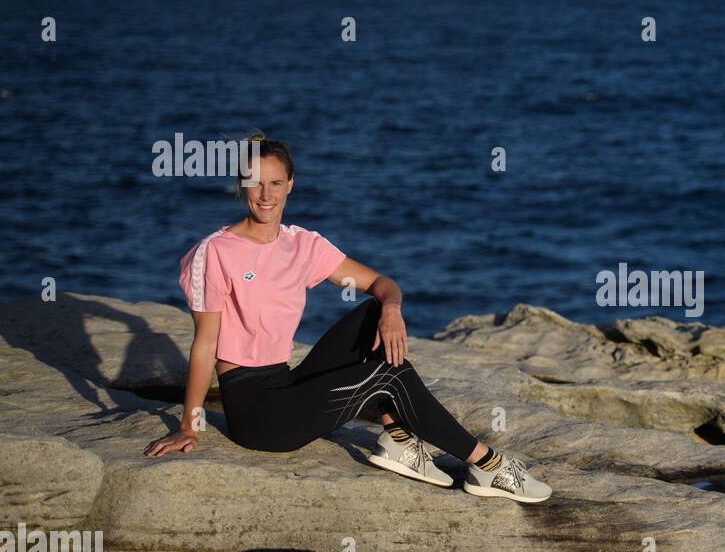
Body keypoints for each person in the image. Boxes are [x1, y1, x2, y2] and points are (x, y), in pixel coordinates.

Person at [143, 133, 551, 503]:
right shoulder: (215, 252)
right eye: (254, 183)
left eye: (275, 183)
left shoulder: (302, 244)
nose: (265, 194)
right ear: (241, 186)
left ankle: (399, 440)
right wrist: (189, 425)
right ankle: (488, 466)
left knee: (374, 311)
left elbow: (382, 284)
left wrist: (391, 309)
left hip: (285, 382)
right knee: (388, 375)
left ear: (290, 185)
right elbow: (204, 345)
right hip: (258, 414)